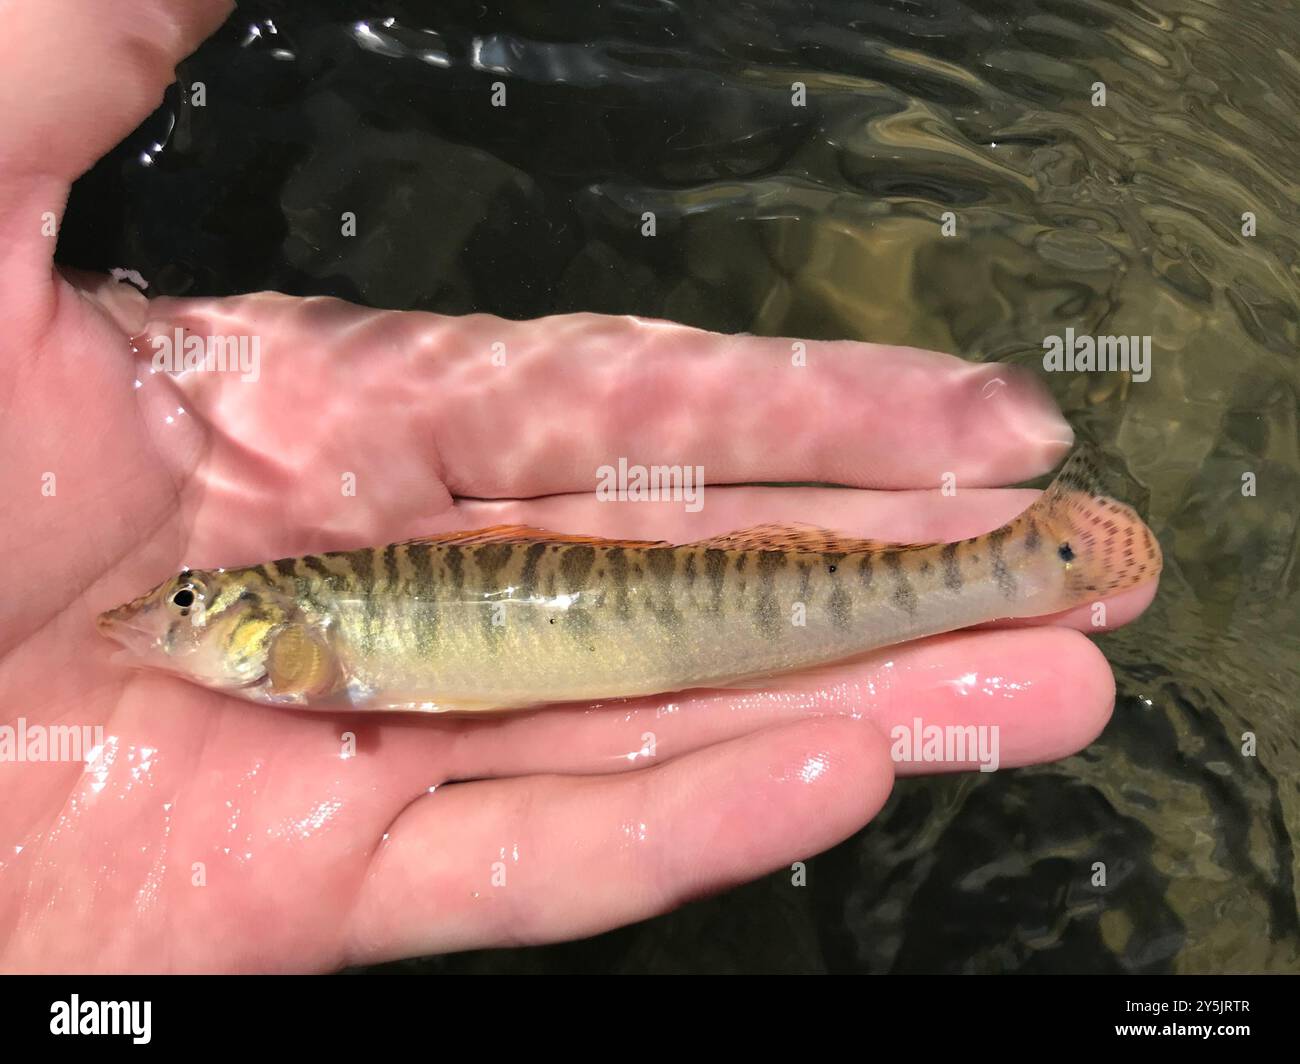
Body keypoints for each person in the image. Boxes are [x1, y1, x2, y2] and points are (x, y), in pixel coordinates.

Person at [0, 0, 1156, 971]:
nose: (162, 618)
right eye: (183, 603)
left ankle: (1020, 565)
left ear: (270, 620)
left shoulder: (304, 638)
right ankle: (1015, 568)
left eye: (191, 604)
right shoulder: (278, 649)